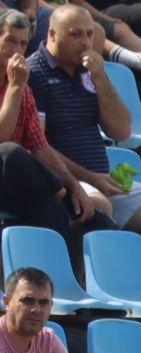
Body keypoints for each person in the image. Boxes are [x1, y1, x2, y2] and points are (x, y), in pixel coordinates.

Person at [24, 6, 141, 255]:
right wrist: (89, 178)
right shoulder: (34, 72)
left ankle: (119, 278)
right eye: (76, 34)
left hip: (101, 179)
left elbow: (121, 130)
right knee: (98, 208)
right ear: (52, 34)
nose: (85, 42)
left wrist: (100, 78)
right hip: (63, 180)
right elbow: (37, 144)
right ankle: (84, 281)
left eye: (89, 34)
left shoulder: (90, 72)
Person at [0, 13, 83, 242]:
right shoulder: (19, 84)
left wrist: (72, 183)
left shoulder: (22, 86)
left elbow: (40, 146)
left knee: (53, 207)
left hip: (11, 185)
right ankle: (55, 187)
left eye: (23, 43)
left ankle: (57, 274)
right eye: (10, 40)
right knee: (9, 152)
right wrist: (15, 87)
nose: (16, 49)